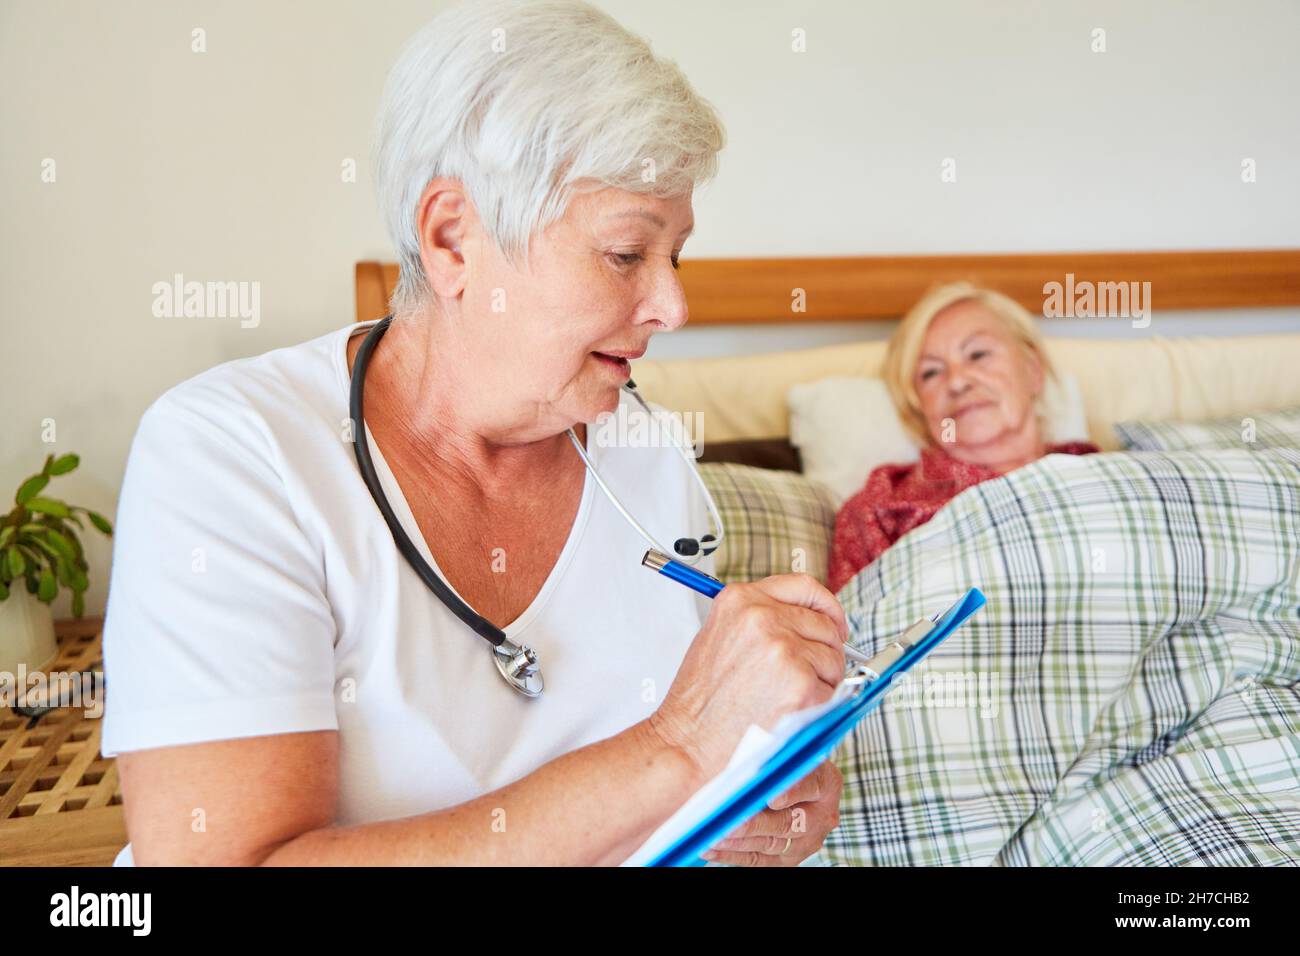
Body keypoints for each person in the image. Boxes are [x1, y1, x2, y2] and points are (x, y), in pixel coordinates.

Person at [102, 0, 847, 866]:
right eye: (625, 254)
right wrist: (678, 749)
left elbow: (691, 789)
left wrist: (760, 806)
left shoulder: (639, 444)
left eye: (675, 255)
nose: (672, 307)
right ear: (453, 239)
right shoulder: (229, 457)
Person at [828, 283, 1099, 592]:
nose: (956, 382)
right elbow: (848, 633)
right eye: (931, 373)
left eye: (977, 354)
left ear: (1033, 370)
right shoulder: (880, 507)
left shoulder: (1102, 475)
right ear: (917, 407)